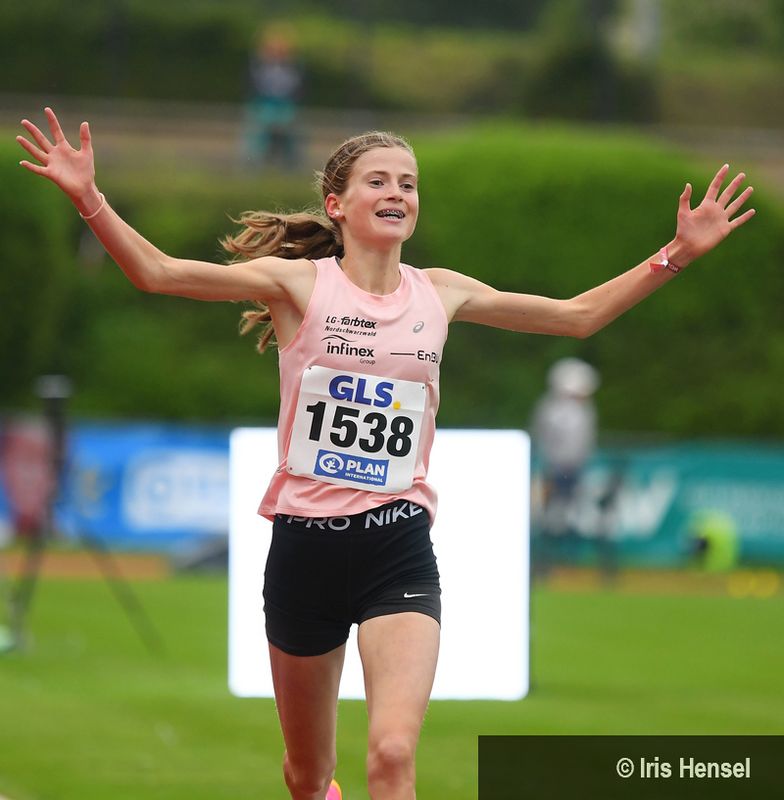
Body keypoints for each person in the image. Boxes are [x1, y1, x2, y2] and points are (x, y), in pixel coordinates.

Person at [16, 107, 755, 800]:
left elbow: (578, 317)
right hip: (302, 550)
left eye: (409, 183)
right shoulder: (299, 285)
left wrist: (677, 254)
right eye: (379, 180)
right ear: (337, 203)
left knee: (394, 753)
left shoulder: (442, 292)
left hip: (396, 546)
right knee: (308, 776)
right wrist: (89, 197)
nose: (398, 192)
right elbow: (158, 273)